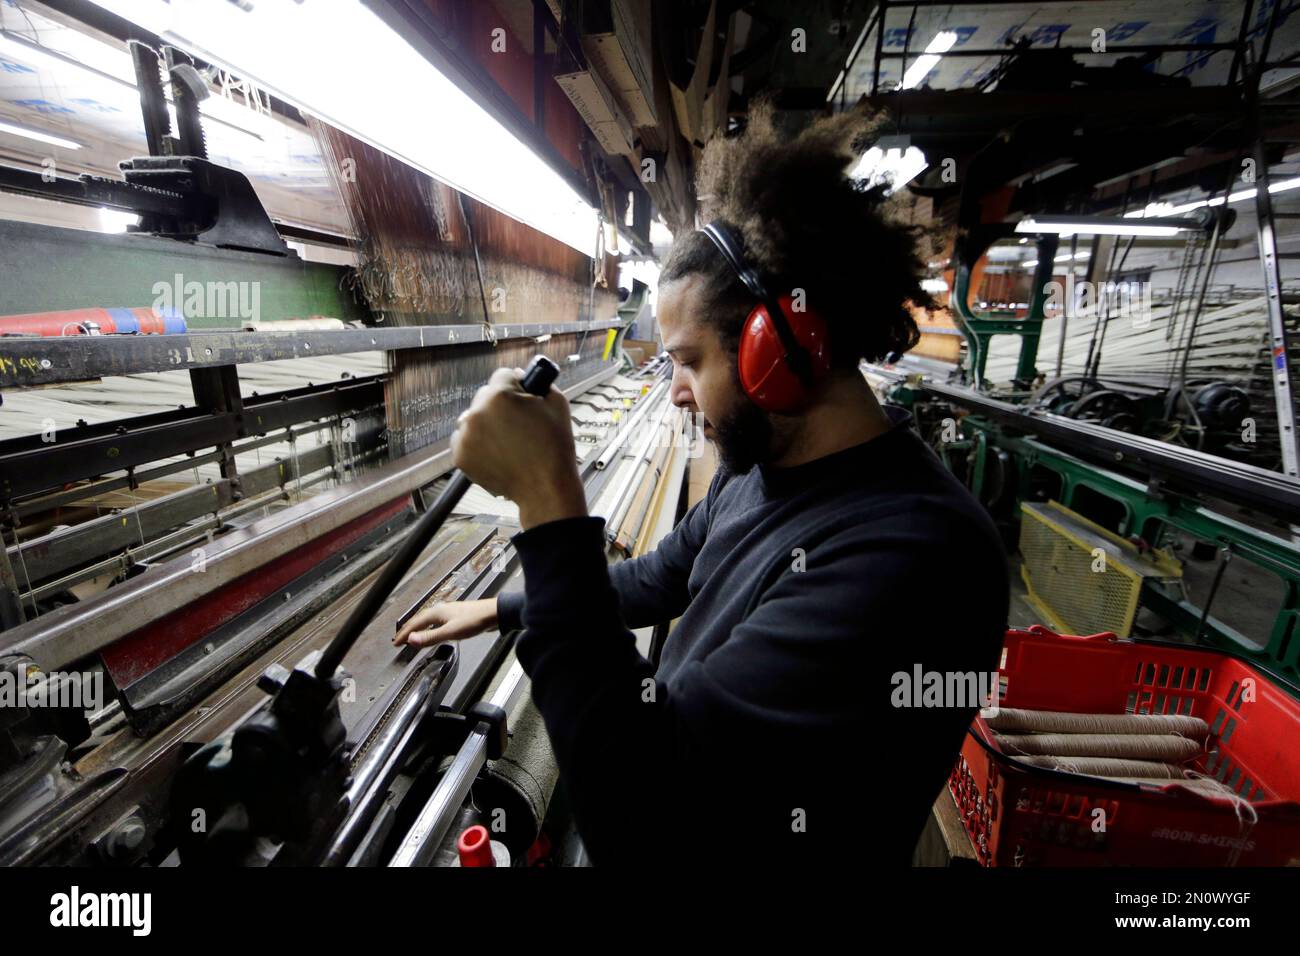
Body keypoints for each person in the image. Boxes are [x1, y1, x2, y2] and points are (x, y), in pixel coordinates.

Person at [395, 102, 1008, 865]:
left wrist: (549, 503)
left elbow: (649, 822)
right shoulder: (762, 469)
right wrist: (503, 607)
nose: (677, 390)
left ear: (783, 345)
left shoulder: (916, 556)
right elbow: (665, 575)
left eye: (689, 361)